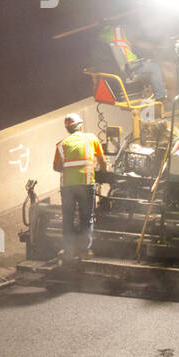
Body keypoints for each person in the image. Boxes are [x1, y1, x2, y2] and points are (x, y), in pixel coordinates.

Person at [52, 113, 106, 261]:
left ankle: (68, 251)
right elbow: (102, 160)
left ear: (67, 129)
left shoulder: (61, 144)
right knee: (86, 218)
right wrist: (104, 173)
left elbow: (56, 167)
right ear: (80, 125)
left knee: (68, 218)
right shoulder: (91, 138)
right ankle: (85, 251)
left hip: (68, 187)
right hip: (86, 185)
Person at [99, 18, 169, 101]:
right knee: (155, 68)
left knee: (146, 64)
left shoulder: (101, 37)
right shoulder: (119, 31)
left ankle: (145, 91)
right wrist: (154, 47)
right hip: (131, 66)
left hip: (119, 70)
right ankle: (160, 96)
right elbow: (137, 42)